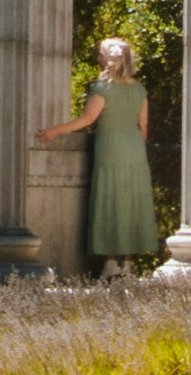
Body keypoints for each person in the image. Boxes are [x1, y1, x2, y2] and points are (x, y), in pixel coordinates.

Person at [39, 38, 164, 280]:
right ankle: (127, 263)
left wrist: (55, 130)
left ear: (107, 60)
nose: (97, 58)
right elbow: (144, 125)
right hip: (134, 149)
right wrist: (136, 146)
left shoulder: (102, 89)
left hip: (111, 148)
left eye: (99, 55)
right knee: (130, 202)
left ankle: (109, 264)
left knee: (109, 200)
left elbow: (87, 120)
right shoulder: (139, 89)